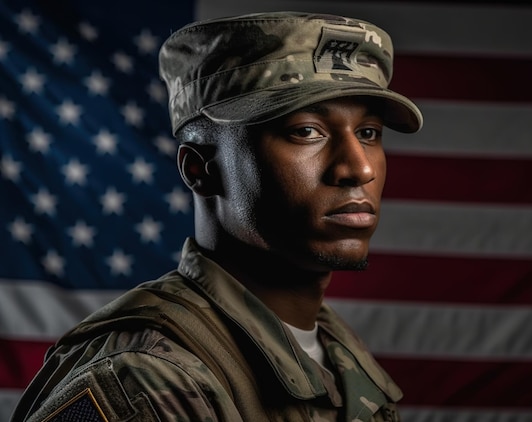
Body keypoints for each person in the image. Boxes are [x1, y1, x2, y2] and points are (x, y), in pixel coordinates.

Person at [11, 11, 422, 422]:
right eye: (306, 131)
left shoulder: (337, 352)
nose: (358, 169)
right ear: (199, 169)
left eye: (368, 133)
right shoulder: (146, 377)